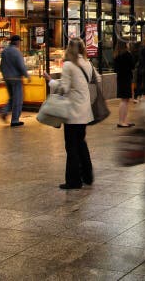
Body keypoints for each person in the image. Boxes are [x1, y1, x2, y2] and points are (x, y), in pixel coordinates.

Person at [43, 38, 99, 189]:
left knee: (71, 146)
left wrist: (50, 81)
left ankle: (74, 180)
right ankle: (87, 176)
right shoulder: (87, 63)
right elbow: (97, 78)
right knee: (81, 143)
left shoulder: (68, 65)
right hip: (85, 111)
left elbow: (64, 89)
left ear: (69, 48)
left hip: (73, 112)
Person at [0, 35, 30, 126]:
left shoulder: (4, 51)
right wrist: (27, 75)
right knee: (18, 99)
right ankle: (15, 120)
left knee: (12, 98)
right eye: (19, 42)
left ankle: (5, 111)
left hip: (7, 78)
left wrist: (4, 75)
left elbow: (1, 65)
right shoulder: (17, 52)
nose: (20, 43)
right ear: (17, 42)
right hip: (16, 78)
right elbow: (21, 65)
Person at [113, 40, 136, 128]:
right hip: (126, 78)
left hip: (121, 78)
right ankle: (121, 121)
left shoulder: (117, 55)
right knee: (124, 100)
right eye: (127, 43)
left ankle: (123, 120)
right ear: (124, 45)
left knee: (125, 100)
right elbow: (132, 65)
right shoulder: (126, 54)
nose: (128, 44)